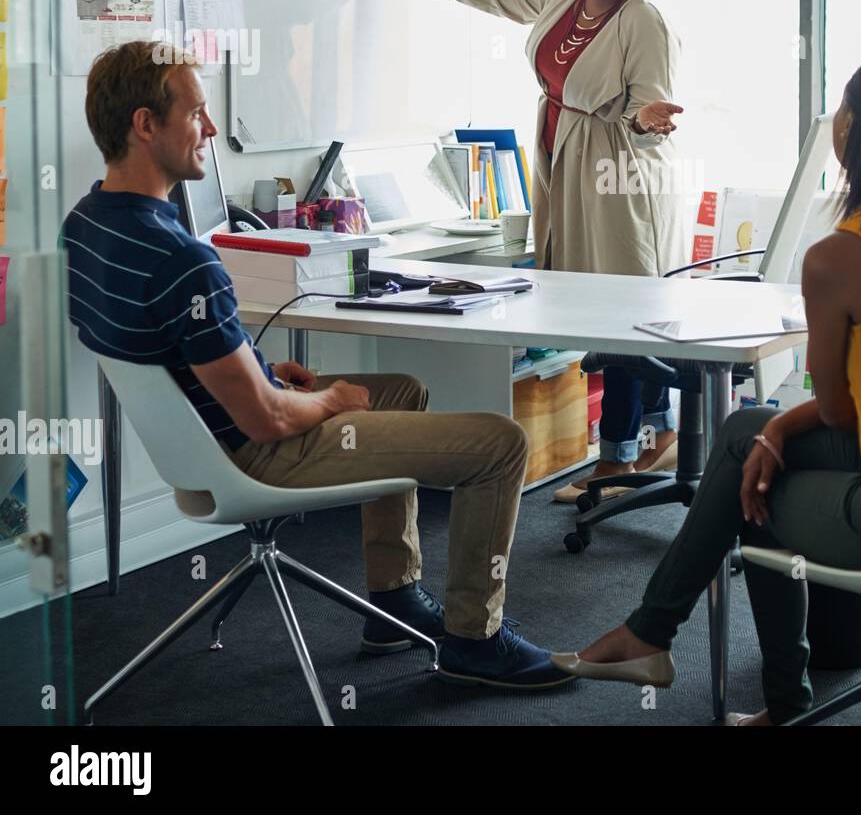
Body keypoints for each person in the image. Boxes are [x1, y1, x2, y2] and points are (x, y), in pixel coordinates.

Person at [63, 41, 572, 690]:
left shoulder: (85, 224)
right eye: (196, 113)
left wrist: (258, 366)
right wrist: (326, 401)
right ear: (144, 125)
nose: (212, 129)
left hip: (200, 439)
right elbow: (270, 417)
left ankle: (393, 601)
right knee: (501, 443)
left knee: (402, 390)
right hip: (255, 451)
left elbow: (173, 354)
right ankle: (478, 639)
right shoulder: (182, 259)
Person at [549, 52, 861, 723]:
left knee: (755, 494)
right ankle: (656, 635)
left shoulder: (842, 256)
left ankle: (736, 680)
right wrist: (773, 427)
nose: (838, 124)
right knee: (747, 432)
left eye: (845, 110)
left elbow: (840, 410)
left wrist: (779, 432)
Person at [379, 0, 687, 503]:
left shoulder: (646, 22)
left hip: (617, 173)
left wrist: (648, 119)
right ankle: (661, 431)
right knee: (590, 304)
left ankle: (620, 457)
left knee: (621, 311)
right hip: (561, 156)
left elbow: (648, 109)